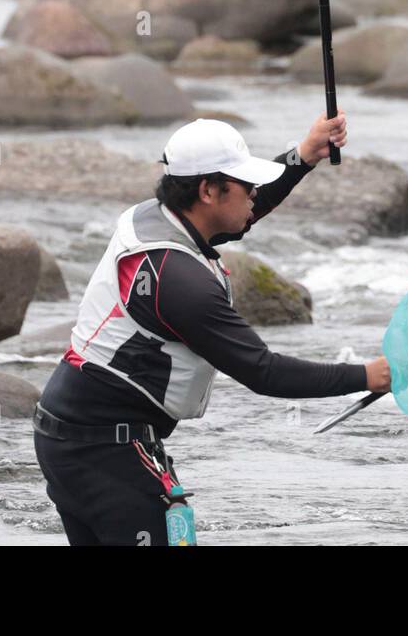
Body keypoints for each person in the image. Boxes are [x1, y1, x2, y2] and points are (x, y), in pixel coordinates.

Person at [33, 111, 389, 547]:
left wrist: (303, 156)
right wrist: (368, 376)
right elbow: (264, 372)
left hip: (69, 433)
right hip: (107, 448)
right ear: (207, 190)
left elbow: (239, 216)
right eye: (245, 185)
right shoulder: (182, 284)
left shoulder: (154, 218)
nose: (255, 194)